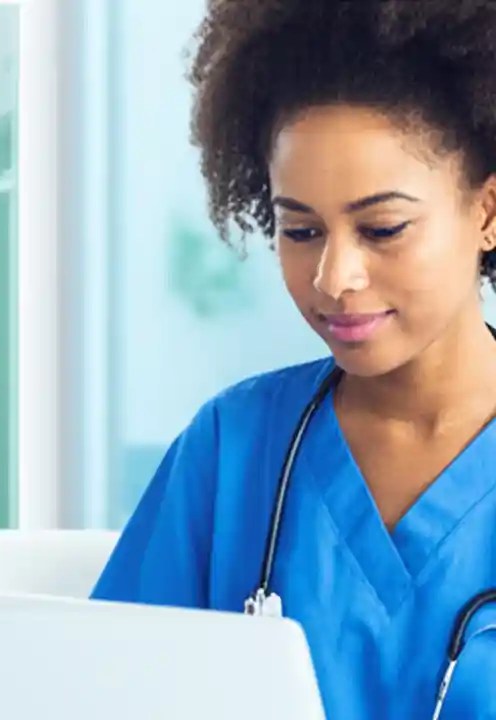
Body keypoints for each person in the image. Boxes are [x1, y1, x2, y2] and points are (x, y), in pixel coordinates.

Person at [91, 3, 496, 718]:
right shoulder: (233, 448)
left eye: (383, 228)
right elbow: (106, 692)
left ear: (487, 213)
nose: (333, 277)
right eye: (301, 229)